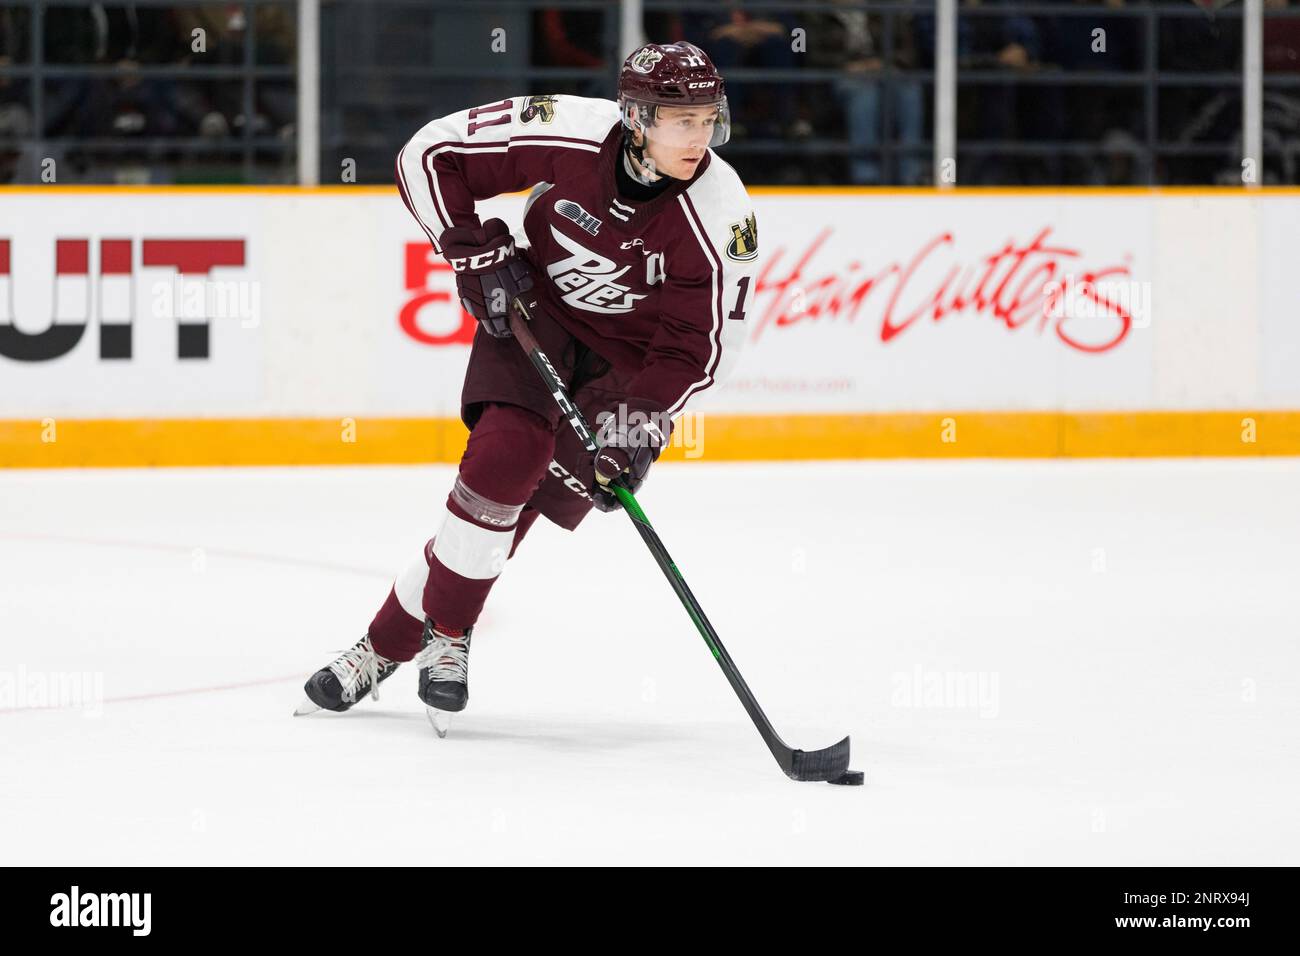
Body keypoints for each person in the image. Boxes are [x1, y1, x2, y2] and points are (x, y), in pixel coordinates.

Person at [296, 42, 759, 733]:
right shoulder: (569, 128)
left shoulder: (721, 216)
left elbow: (698, 348)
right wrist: (469, 245)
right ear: (635, 116)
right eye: (677, 119)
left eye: (706, 120)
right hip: (533, 313)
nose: (697, 139)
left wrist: (637, 425)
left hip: (623, 373)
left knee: (504, 519)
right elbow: (431, 154)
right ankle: (449, 635)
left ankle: (381, 647)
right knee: (502, 463)